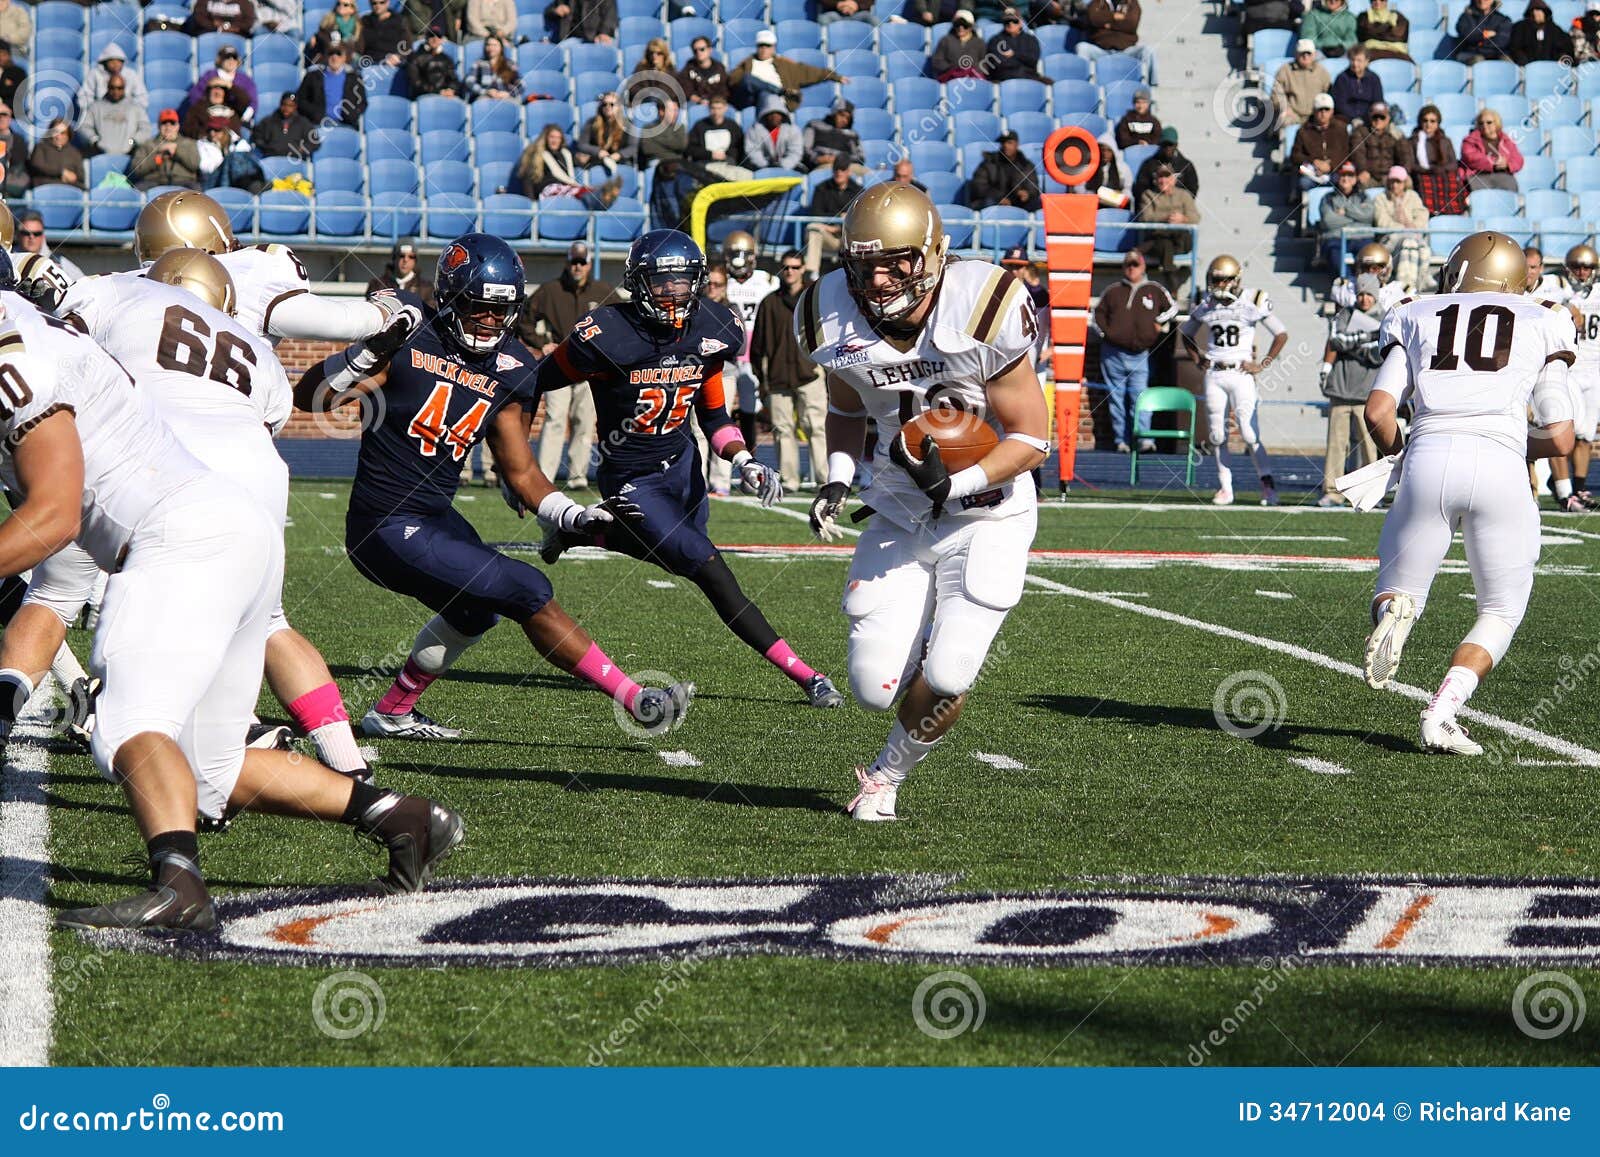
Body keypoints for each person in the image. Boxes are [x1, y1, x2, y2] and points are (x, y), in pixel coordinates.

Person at [0, 268, 460, 933]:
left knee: (125, 724)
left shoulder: (18, 350)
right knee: (211, 771)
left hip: (175, 538)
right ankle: (405, 816)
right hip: (234, 531)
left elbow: (55, 512)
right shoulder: (50, 331)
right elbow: (56, 561)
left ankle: (180, 886)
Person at [298, 233, 687, 740]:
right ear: (453, 298)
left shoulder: (514, 366)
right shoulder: (412, 334)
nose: (489, 321)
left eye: (500, 310)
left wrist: (573, 515)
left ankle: (392, 712)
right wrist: (369, 351)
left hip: (433, 515)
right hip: (383, 524)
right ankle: (638, 701)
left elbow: (520, 471)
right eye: (478, 307)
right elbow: (313, 398)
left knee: (475, 609)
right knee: (528, 588)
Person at [797, 184, 1049, 820]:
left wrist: (955, 482)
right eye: (865, 263)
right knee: (874, 686)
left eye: (896, 262)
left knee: (953, 671)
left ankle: (886, 775)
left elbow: (1031, 436)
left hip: (988, 510)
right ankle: (917, 655)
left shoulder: (980, 304)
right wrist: (836, 474)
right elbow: (848, 408)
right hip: (900, 509)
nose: (878, 279)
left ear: (933, 255)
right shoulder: (828, 312)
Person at [530, 230, 844, 711]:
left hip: (682, 466)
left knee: (682, 559)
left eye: (684, 282)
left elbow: (715, 419)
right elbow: (536, 381)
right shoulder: (606, 334)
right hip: (630, 477)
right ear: (639, 284)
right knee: (710, 569)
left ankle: (586, 534)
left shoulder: (714, 326)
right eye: (663, 283)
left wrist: (743, 460)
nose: (675, 293)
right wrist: (521, 469)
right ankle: (806, 674)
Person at [1362, 232, 1576, 754]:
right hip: (1503, 463)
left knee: (1396, 590)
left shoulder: (1414, 310)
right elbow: (1562, 435)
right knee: (1501, 608)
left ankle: (1395, 611)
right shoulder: (1544, 317)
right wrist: (1502, 440)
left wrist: (1405, 454)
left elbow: (1378, 412)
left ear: (1457, 269)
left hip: (1430, 452)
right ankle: (1443, 710)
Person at [1179, 255, 1289, 505]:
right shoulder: (1207, 304)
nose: (1217, 286)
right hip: (1215, 373)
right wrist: (1198, 359)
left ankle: (1267, 485)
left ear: (1234, 280)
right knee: (1217, 435)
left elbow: (1281, 334)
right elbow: (1186, 334)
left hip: (1241, 373)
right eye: (1214, 280)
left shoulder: (1253, 300)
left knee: (1249, 434)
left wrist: (1263, 364)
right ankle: (1225, 487)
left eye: (1221, 280)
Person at [522, 241, 617, 490]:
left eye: (582, 262)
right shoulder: (551, 290)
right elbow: (524, 319)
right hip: (559, 365)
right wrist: (542, 343)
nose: (578, 266)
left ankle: (577, 476)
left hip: (591, 369)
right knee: (554, 419)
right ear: (567, 262)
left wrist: (607, 351)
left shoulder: (604, 291)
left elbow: (622, 321)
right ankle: (545, 475)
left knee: (584, 421)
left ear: (589, 265)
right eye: (574, 261)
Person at [751, 251, 826, 490]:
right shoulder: (769, 302)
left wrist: (824, 369)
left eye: (795, 267)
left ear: (803, 269)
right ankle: (789, 479)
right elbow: (757, 347)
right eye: (786, 267)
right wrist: (762, 380)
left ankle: (826, 479)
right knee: (783, 430)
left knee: (817, 427)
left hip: (810, 373)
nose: (790, 272)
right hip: (777, 377)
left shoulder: (813, 300)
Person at [1093, 249, 1178, 452]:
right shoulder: (1113, 290)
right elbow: (1097, 315)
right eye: (1128, 265)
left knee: (1140, 397)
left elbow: (1173, 308)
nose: (1131, 269)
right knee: (1116, 399)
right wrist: (1107, 334)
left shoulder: (1154, 289)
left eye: (1135, 265)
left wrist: (1158, 322)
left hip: (1141, 354)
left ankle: (1144, 439)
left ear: (1143, 267)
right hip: (1113, 354)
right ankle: (1121, 441)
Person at [1317, 273, 1383, 506]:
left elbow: (1377, 354)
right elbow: (1336, 341)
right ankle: (1333, 491)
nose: (1365, 299)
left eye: (1369, 294)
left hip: (1368, 392)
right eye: (1361, 294)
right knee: (1337, 443)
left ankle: (1366, 491)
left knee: (1368, 445)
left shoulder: (1385, 317)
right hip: (1341, 389)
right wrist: (1364, 339)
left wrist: (1353, 342)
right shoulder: (1344, 314)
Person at [721, 232, 777, 472]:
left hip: (756, 351)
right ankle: (744, 458)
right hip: (730, 352)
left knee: (754, 406)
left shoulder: (766, 281)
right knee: (730, 408)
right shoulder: (722, 282)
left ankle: (750, 457)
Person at [1555, 245, 1600, 510]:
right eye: (1578, 267)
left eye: (1588, 267)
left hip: (1594, 369)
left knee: (1586, 433)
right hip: (1568, 368)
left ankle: (1580, 487)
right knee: (1563, 428)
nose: (1583, 272)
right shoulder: (1558, 292)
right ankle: (1563, 489)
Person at [729, 30, 845, 112]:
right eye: (761, 45)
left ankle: (777, 92)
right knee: (749, 79)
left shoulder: (784, 65)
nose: (764, 49)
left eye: (767, 46)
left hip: (778, 102)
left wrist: (834, 76)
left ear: (773, 48)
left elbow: (809, 72)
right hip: (754, 99)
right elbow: (733, 80)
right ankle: (779, 91)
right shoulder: (748, 63)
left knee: (769, 97)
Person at [516, 123, 620, 209]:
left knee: (580, 191)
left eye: (558, 138)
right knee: (576, 192)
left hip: (566, 189)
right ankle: (601, 195)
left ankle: (602, 194)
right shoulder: (537, 156)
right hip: (548, 191)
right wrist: (532, 204)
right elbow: (527, 179)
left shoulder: (565, 154)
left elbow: (584, 163)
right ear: (545, 138)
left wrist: (601, 158)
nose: (555, 140)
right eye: (552, 137)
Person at [1135, 164, 1200, 293]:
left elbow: (1196, 217)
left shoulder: (1184, 195)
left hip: (1180, 240)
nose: (1163, 180)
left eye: (1167, 177)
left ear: (1174, 179)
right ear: (1156, 179)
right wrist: (1166, 218)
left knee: (1166, 241)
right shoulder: (1148, 195)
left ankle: (1147, 246)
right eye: (1160, 177)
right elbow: (1145, 217)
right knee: (1165, 243)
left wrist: (1183, 219)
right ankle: (1173, 286)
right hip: (1161, 241)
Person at [803, 158, 863, 276]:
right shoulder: (821, 188)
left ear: (848, 171)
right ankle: (812, 273)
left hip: (848, 238)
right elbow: (816, 214)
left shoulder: (858, 191)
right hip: (828, 236)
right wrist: (838, 219)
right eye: (836, 169)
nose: (839, 172)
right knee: (813, 228)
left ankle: (858, 273)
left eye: (842, 169)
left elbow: (860, 217)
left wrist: (839, 228)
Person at [1372, 167, 1430, 289]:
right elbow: (1382, 222)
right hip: (1389, 241)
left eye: (1398, 182)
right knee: (1410, 243)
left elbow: (1422, 215)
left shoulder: (1413, 196)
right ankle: (1410, 286)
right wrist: (1405, 227)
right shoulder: (1380, 198)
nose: (1394, 185)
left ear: (1405, 183)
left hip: (1411, 239)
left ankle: (1405, 285)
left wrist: (1413, 226)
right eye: (1391, 181)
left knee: (1409, 244)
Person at [1076, 0, 1159, 82]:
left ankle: (1151, 86)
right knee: (1082, 47)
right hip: (1101, 51)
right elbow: (1094, 18)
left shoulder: (1132, 3)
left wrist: (1107, 24)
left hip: (1126, 51)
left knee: (1148, 50)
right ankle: (1082, 85)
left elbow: (1131, 24)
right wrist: (1114, 17)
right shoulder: (1098, 2)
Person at [1407, 103, 1461, 216]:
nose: (1428, 124)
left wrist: (1441, 168)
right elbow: (1411, 164)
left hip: (1443, 173)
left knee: (1454, 183)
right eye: (1425, 121)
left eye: (1432, 121)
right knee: (1424, 183)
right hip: (1423, 174)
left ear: (1438, 123)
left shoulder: (1445, 141)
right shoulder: (1413, 141)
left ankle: (1450, 212)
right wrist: (1428, 170)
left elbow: (1453, 164)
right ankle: (1430, 213)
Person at [1319, 160, 1374, 271]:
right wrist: (1357, 219)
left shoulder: (1364, 196)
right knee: (1335, 259)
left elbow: (1369, 216)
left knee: (1369, 261)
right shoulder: (1328, 198)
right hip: (1336, 237)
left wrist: (1346, 211)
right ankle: (1346, 284)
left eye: (1350, 175)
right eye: (1342, 175)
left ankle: (1363, 285)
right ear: (1338, 177)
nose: (1345, 179)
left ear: (1355, 179)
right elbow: (1328, 221)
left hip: (1362, 236)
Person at [80, 74, 151, 158]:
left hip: (129, 155)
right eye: (112, 87)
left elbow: (145, 129)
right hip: (101, 155)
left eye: (119, 88)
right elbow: (84, 127)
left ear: (124, 88)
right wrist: (95, 142)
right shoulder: (95, 107)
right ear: (107, 87)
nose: (116, 91)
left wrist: (132, 142)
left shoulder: (135, 108)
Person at [130, 110, 204, 190]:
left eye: (172, 123)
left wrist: (177, 150)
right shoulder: (148, 144)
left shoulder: (189, 143)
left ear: (178, 126)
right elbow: (136, 170)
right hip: (154, 181)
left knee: (197, 191)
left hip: (184, 181)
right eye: (164, 123)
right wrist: (158, 156)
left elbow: (195, 165)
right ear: (158, 126)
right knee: (137, 190)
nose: (168, 128)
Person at [1290, 92, 1351, 189]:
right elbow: (1295, 155)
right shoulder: (1303, 131)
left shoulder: (1341, 128)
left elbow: (1347, 152)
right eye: (1320, 109)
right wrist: (1314, 161)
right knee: (1303, 183)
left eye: (1326, 109)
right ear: (1314, 111)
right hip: (1312, 173)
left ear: (1332, 111)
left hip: (1336, 172)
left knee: (1347, 181)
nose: (1323, 113)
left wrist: (1331, 165)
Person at [968, 130, 1041, 211]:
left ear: (1016, 144)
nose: (1005, 146)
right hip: (994, 201)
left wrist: (1027, 194)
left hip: (1018, 203)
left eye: (1009, 142)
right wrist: (999, 198)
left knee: (1037, 204)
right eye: (1003, 143)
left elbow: (1034, 188)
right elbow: (978, 186)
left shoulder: (1026, 165)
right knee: (989, 203)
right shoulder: (989, 162)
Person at [297, 43, 366, 128]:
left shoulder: (355, 79)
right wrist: (315, 114)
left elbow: (362, 102)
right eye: (331, 53)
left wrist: (351, 115)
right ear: (326, 56)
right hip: (318, 124)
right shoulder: (312, 76)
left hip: (346, 125)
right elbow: (301, 100)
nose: (334, 57)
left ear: (344, 58)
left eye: (338, 53)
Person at [687, 95, 750, 180]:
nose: (716, 112)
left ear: (725, 108)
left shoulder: (733, 126)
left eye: (719, 108)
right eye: (713, 108)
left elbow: (739, 147)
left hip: (728, 163)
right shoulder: (699, 126)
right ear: (709, 109)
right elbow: (691, 148)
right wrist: (710, 154)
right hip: (705, 164)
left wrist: (727, 156)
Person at [366, 237, 436, 314]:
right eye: (401, 255)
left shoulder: (426, 288)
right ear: (394, 258)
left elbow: (429, 317)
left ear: (415, 260)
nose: (406, 260)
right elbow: (372, 314)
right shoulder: (377, 285)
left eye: (411, 256)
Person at [1350, 101, 1411, 188]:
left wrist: (1401, 173)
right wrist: (1362, 170)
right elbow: (1358, 153)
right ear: (1370, 117)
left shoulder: (1396, 134)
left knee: (1407, 182)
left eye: (1382, 117)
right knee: (1358, 183)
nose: (1378, 120)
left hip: (1391, 176)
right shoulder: (1361, 132)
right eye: (1375, 117)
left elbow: (1406, 156)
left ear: (1388, 118)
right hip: (1369, 176)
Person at [1131, 125, 1198, 204]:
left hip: (1178, 208)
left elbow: (1192, 189)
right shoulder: (1148, 164)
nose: (1167, 148)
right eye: (1164, 145)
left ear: (1176, 145)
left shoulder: (1186, 165)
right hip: (1154, 207)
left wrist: (1178, 202)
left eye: (1170, 144)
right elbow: (1140, 188)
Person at [1272, 40, 1331, 129]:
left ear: (1314, 54)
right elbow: (1276, 94)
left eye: (1308, 53)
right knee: (1283, 120)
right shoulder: (1285, 70)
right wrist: (1285, 108)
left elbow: (1328, 93)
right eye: (1302, 53)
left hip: (1316, 114)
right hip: (1293, 114)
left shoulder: (1322, 72)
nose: (1305, 56)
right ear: (1296, 54)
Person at [1460, 108, 1521, 193]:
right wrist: (1494, 162)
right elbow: (1471, 158)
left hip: (1503, 177)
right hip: (1478, 176)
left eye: (1489, 122)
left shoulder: (1506, 140)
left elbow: (1518, 159)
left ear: (1496, 123)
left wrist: (1507, 164)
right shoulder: (1470, 140)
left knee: (1510, 185)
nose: (1484, 125)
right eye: (1481, 123)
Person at [191, 45, 259, 120]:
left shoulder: (245, 80)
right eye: (227, 57)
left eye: (234, 57)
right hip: (210, 118)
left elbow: (252, 103)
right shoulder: (209, 76)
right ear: (220, 60)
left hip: (236, 119)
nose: (231, 60)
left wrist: (242, 118)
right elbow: (195, 97)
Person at [12, 211, 83, 282]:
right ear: (18, 235)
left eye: (37, 234)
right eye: (26, 233)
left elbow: (84, 284)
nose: (31, 237)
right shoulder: (8, 260)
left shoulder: (60, 262)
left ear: (43, 236)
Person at [78, 43, 148, 114]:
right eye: (112, 61)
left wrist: (129, 110)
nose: (115, 64)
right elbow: (83, 98)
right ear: (104, 62)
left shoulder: (131, 75)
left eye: (118, 61)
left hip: (126, 115)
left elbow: (142, 98)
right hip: (100, 115)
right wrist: (96, 109)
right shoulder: (95, 74)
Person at [985, 8, 1048, 83]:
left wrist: (1014, 54)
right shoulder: (995, 40)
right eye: (1007, 21)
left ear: (1020, 22)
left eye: (1014, 21)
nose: (1010, 24)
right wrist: (1022, 61)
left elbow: (1033, 61)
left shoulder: (1031, 39)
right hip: (1004, 80)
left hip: (1028, 78)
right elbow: (997, 65)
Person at [745, 93, 804, 171]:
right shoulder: (754, 129)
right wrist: (766, 165)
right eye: (771, 113)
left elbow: (795, 152)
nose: (774, 116)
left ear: (783, 115)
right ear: (764, 114)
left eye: (778, 113)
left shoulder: (793, 130)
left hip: (788, 168)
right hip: (761, 169)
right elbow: (752, 151)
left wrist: (782, 165)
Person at [803, 98, 865, 172]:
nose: (845, 120)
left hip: (846, 167)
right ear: (834, 113)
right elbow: (804, 149)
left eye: (848, 118)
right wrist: (818, 158)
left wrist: (840, 160)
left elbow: (860, 158)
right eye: (842, 115)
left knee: (870, 176)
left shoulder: (852, 135)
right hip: (823, 165)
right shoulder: (814, 125)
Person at [251, 91, 316, 159]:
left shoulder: (304, 123)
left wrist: (302, 149)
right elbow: (256, 137)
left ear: (295, 107)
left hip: (295, 161)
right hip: (272, 160)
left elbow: (314, 141)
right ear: (280, 105)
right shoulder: (268, 121)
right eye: (284, 104)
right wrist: (268, 148)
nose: (286, 108)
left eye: (290, 105)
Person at [583, 92, 636, 171]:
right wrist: (598, 151)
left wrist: (619, 154)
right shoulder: (592, 123)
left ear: (618, 107)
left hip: (621, 162)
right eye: (604, 104)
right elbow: (582, 144)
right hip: (598, 161)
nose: (608, 107)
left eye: (612, 104)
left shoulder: (628, 124)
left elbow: (633, 147)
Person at [1329, 45, 1382, 125]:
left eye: (1359, 60)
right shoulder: (1342, 78)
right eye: (1352, 60)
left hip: (1369, 118)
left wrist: (1365, 119)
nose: (1355, 64)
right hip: (1347, 118)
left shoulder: (1374, 78)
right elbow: (1340, 104)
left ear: (1367, 62)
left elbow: (1377, 101)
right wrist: (1354, 118)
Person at [26, 119, 83, 189]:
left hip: (69, 186)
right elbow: (37, 165)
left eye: (62, 133)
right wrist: (61, 172)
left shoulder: (74, 152)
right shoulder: (41, 147)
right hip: (44, 185)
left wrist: (73, 177)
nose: (58, 137)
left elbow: (81, 176)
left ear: (68, 135)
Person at [1510, 0, 1575, 63]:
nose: (1536, 13)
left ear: (1545, 12)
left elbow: (1564, 47)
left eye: (1539, 10)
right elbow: (1515, 48)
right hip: (1526, 67)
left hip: (1551, 66)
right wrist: (1525, 63)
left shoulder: (1554, 29)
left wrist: (1560, 57)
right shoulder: (1520, 27)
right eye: (1534, 10)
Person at [931, 10, 986, 82]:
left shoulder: (979, 42)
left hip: (973, 80)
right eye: (957, 24)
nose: (961, 28)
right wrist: (955, 70)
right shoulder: (945, 40)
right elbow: (937, 61)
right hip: (951, 79)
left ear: (971, 26)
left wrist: (970, 71)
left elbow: (985, 63)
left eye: (965, 25)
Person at [407, 26, 461, 99]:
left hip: (445, 96)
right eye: (431, 36)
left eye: (438, 36)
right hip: (424, 97)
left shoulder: (447, 59)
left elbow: (454, 79)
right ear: (426, 38)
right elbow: (416, 83)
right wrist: (438, 92)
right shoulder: (415, 58)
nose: (435, 39)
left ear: (442, 40)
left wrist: (451, 89)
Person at [362, 0, 416, 69]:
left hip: (394, 64)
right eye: (374, 3)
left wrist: (398, 56)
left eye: (382, 2)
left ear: (388, 2)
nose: (378, 6)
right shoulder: (365, 21)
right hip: (370, 64)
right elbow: (360, 46)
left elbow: (408, 44)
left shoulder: (399, 20)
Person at [466, 34, 521, 101]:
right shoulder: (479, 63)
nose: (491, 48)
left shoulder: (510, 64)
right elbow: (469, 82)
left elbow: (521, 84)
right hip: (485, 97)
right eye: (488, 45)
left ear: (501, 47)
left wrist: (508, 93)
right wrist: (485, 92)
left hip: (505, 97)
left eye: (495, 45)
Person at [679, 37, 730, 106]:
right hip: (695, 104)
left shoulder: (719, 68)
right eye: (695, 50)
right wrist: (698, 100)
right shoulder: (689, 67)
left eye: (702, 49)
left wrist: (713, 101)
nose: (698, 52)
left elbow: (724, 91)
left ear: (710, 50)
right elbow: (685, 89)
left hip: (716, 104)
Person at [544, 0, 618, 43]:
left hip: (594, 38)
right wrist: (556, 11)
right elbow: (548, 11)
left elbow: (610, 17)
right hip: (570, 39)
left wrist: (604, 33)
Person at [190, 0, 257, 35]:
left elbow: (249, 21)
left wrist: (232, 27)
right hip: (210, 32)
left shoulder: (244, 2)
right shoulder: (205, 1)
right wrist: (215, 26)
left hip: (237, 35)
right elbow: (199, 16)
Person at [0, 101, 24, 196]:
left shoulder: (18, 140)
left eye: (4, 115)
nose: (1, 118)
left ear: (10, 118)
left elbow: (18, 162)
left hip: (12, 177)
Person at [0, 38, 22, 110]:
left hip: (9, 112)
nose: (1, 58)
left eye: (3, 54)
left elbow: (17, 93)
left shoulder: (18, 72)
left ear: (9, 55)